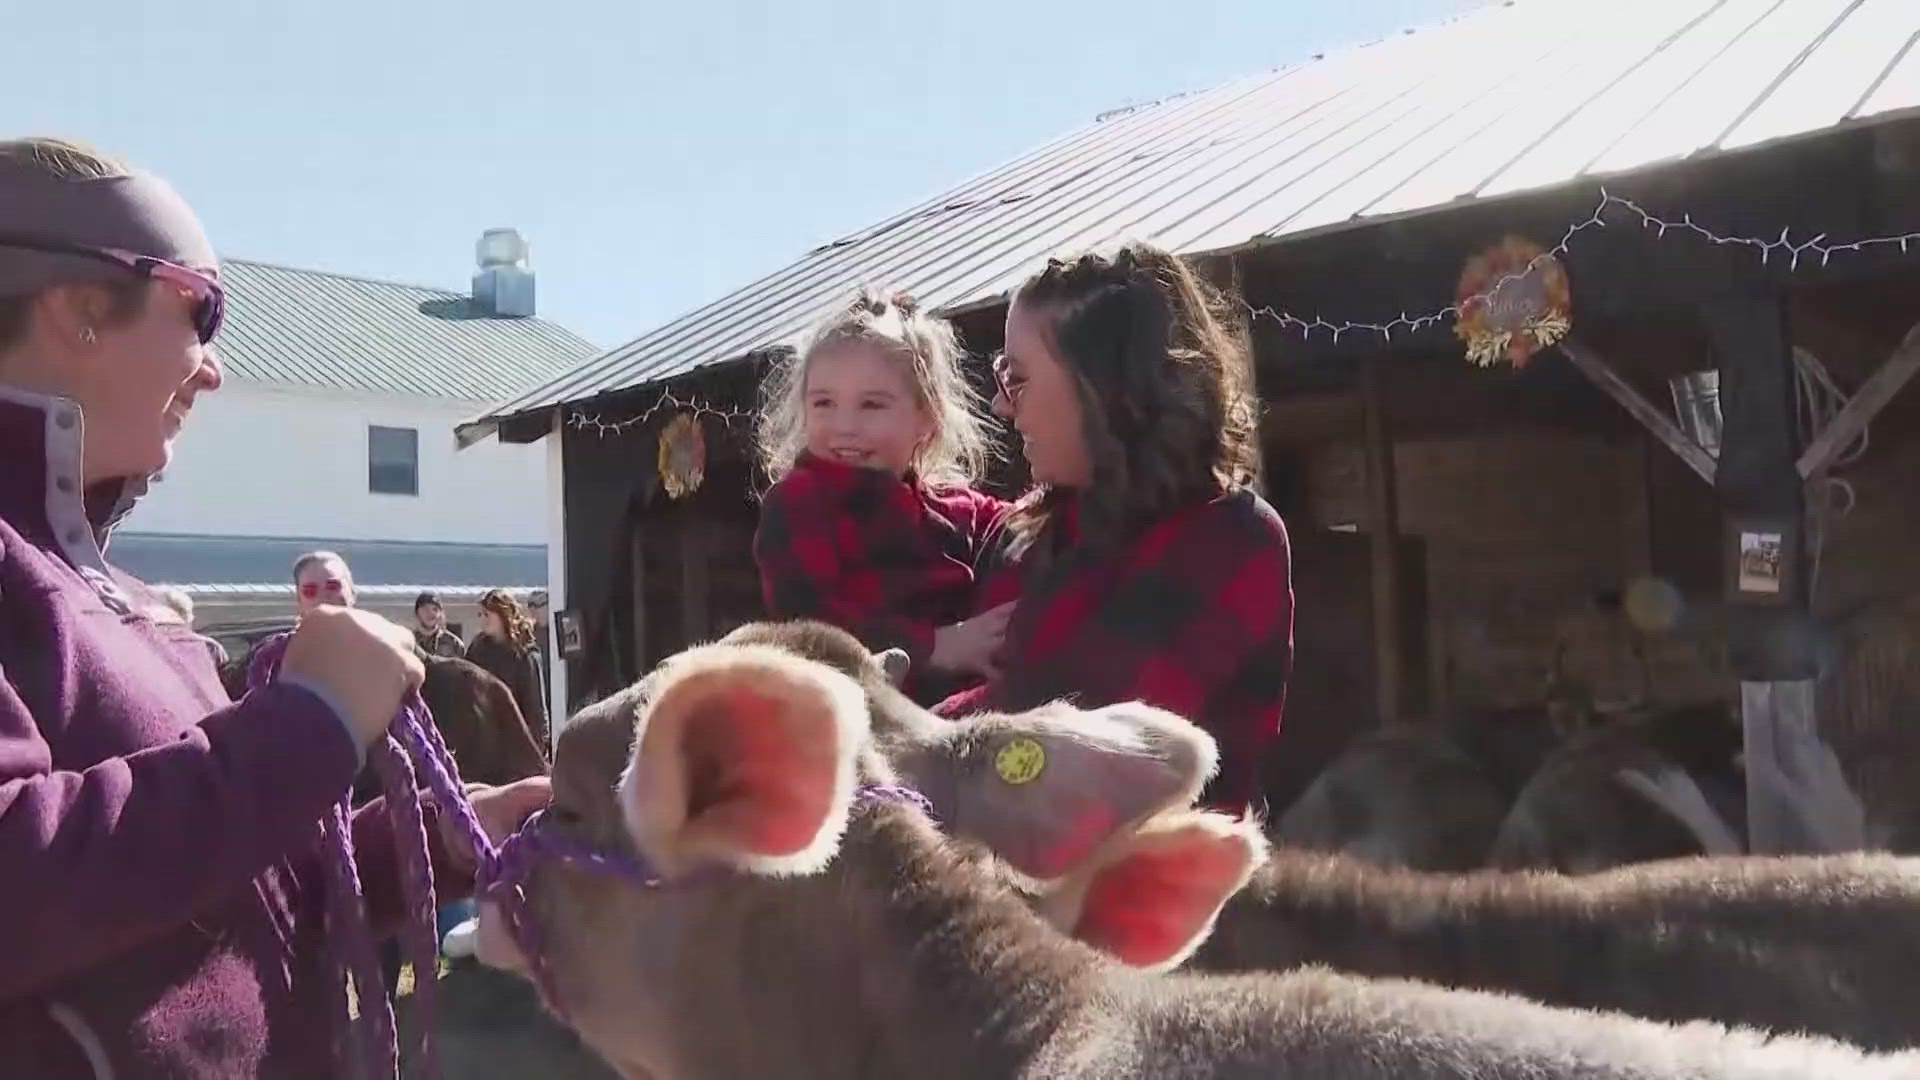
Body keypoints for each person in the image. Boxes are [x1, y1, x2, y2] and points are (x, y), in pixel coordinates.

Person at [0, 136, 549, 1078]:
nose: (212, 369)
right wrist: (310, 721)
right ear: (82, 305)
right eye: (201, 312)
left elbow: (230, 884)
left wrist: (435, 838)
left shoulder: (123, 603)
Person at [932, 243, 1294, 813]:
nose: (1003, 408)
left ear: (1103, 387)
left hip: (1157, 889)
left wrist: (901, 741)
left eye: (1017, 378)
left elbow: (1082, 727)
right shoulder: (1026, 532)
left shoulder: (1231, 539)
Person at [751, 288, 1016, 706]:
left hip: (945, 716)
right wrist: (934, 647)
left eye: (871, 405)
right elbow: (811, 631)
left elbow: (1018, 520)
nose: (845, 426)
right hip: (856, 721)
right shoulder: (800, 502)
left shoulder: (949, 509)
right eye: (824, 403)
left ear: (926, 418)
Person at [465, 587, 549, 749]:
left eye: (487, 614)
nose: (482, 619)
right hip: (483, 738)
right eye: (480, 615)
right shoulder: (478, 648)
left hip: (515, 740)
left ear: (504, 615)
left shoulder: (524, 653)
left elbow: (535, 707)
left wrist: (536, 748)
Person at [413, 589, 466, 658]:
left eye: (435, 609)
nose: (430, 613)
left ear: (440, 613)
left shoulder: (455, 644)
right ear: (417, 613)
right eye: (425, 609)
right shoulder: (409, 640)